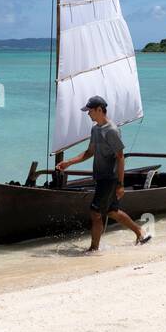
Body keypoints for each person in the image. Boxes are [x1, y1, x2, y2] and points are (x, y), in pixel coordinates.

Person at [58, 96, 150, 251]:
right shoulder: (95, 129)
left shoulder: (111, 131)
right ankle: (140, 231)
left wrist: (120, 184)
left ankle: (93, 249)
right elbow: (89, 152)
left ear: (99, 110)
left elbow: (120, 157)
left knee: (95, 212)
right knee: (112, 211)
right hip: (100, 178)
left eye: (90, 111)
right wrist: (68, 163)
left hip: (109, 178)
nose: (88, 114)